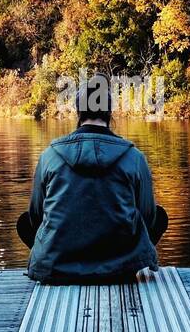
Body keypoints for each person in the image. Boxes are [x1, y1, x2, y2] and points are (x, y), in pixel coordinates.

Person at [17, 73, 167, 284]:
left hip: (57, 266)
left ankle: (53, 260)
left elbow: (35, 216)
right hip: (121, 268)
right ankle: (126, 260)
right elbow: (149, 215)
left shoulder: (49, 155)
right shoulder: (134, 157)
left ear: (78, 112)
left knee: (24, 222)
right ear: (109, 112)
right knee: (160, 216)